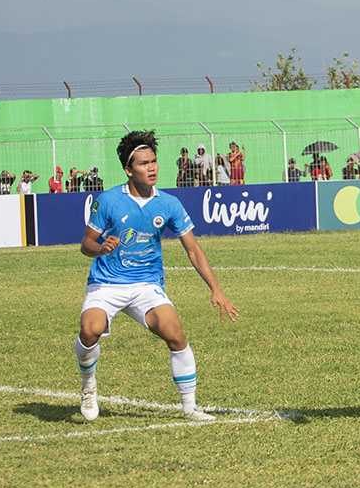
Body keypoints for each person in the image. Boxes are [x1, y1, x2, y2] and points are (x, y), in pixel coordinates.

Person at [74, 129, 240, 422]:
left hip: (146, 285)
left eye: (153, 161)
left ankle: (190, 407)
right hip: (107, 283)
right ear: (128, 170)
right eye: (143, 164)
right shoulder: (109, 200)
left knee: (174, 333)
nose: (151, 168)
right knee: (90, 330)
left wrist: (216, 288)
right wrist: (101, 248)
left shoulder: (169, 203)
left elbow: (193, 250)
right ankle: (89, 387)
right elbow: (86, 244)